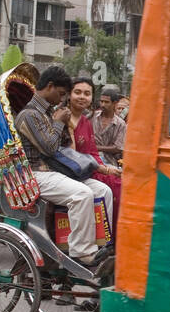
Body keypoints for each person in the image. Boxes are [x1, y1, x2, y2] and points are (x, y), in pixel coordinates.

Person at [13, 65, 115, 267]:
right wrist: (59, 122)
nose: (61, 99)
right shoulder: (29, 115)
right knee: (82, 194)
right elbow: (49, 148)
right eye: (60, 94)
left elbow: (63, 145)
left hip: (54, 172)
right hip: (36, 173)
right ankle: (81, 252)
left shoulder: (48, 113)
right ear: (49, 87)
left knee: (103, 191)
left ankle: (102, 244)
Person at [67, 76, 122, 232]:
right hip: (73, 171)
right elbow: (70, 155)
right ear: (69, 94)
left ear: (91, 98)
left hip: (90, 168)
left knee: (119, 184)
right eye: (77, 92)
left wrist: (104, 167)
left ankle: (109, 239)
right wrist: (104, 169)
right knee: (112, 187)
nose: (82, 97)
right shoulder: (62, 117)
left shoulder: (85, 121)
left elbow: (92, 151)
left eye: (87, 93)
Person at [92, 85, 127, 164]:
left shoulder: (120, 124)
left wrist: (96, 147)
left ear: (115, 103)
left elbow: (118, 148)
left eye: (106, 102)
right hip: (90, 157)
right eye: (101, 101)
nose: (103, 105)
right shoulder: (92, 116)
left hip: (109, 162)